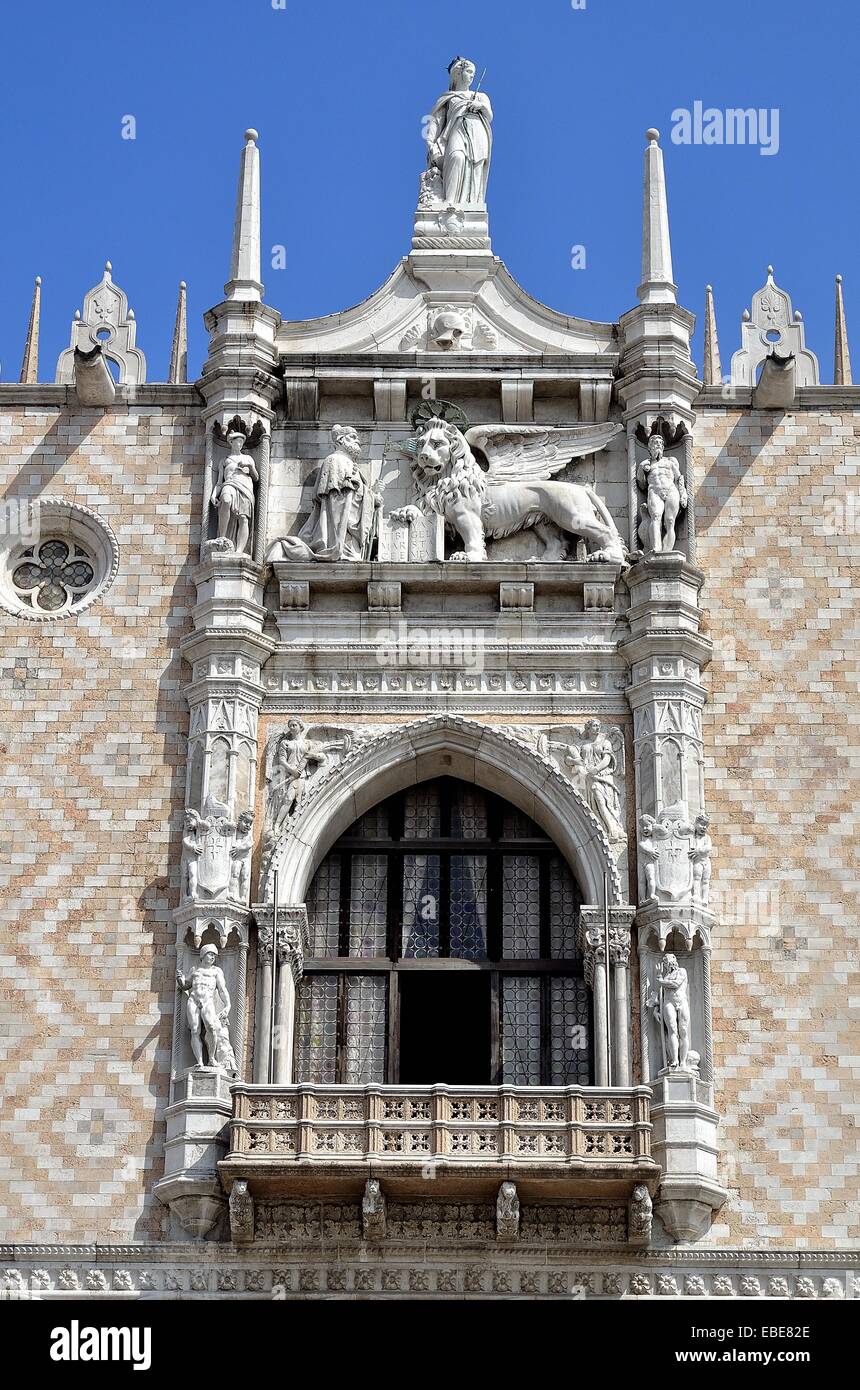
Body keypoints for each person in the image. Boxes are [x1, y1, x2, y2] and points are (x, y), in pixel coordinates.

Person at [424, 57, 493, 208]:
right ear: (458, 73)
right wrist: (430, 143)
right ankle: (450, 201)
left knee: (475, 164)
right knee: (456, 157)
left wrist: (479, 105)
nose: (472, 75)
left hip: (477, 130)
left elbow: (489, 115)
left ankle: (472, 202)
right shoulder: (448, 98)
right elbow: (435, 120)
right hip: (456, 130)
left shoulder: (481, 96)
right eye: (468, 71)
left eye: (473, 73)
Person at [176, 945, 233, 1072]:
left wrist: (227, 1005)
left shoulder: (216, 971)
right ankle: (200, 1062)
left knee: (211, 1028)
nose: (213, 957)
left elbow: (223, 990)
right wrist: (180, 980)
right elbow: (186, 986)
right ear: (203, 955)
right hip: (193, 1000)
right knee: (195, 1030)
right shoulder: (195, 970)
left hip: (208, 1001)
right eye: (210, 954)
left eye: (214, 955)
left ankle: (211, 1058)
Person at [212, 429, 259, 555]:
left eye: (241, 442)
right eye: (237, 442)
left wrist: (250, 467)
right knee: (226, 500)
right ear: (231, 442)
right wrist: (214, 494)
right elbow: (219, 482)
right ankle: (222, 538)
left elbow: (256, 477)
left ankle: (239, 551)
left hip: (245, 488)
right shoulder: (225, 460)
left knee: (243, 518)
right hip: (229, 484)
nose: (240, 444)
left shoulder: (248, 458)